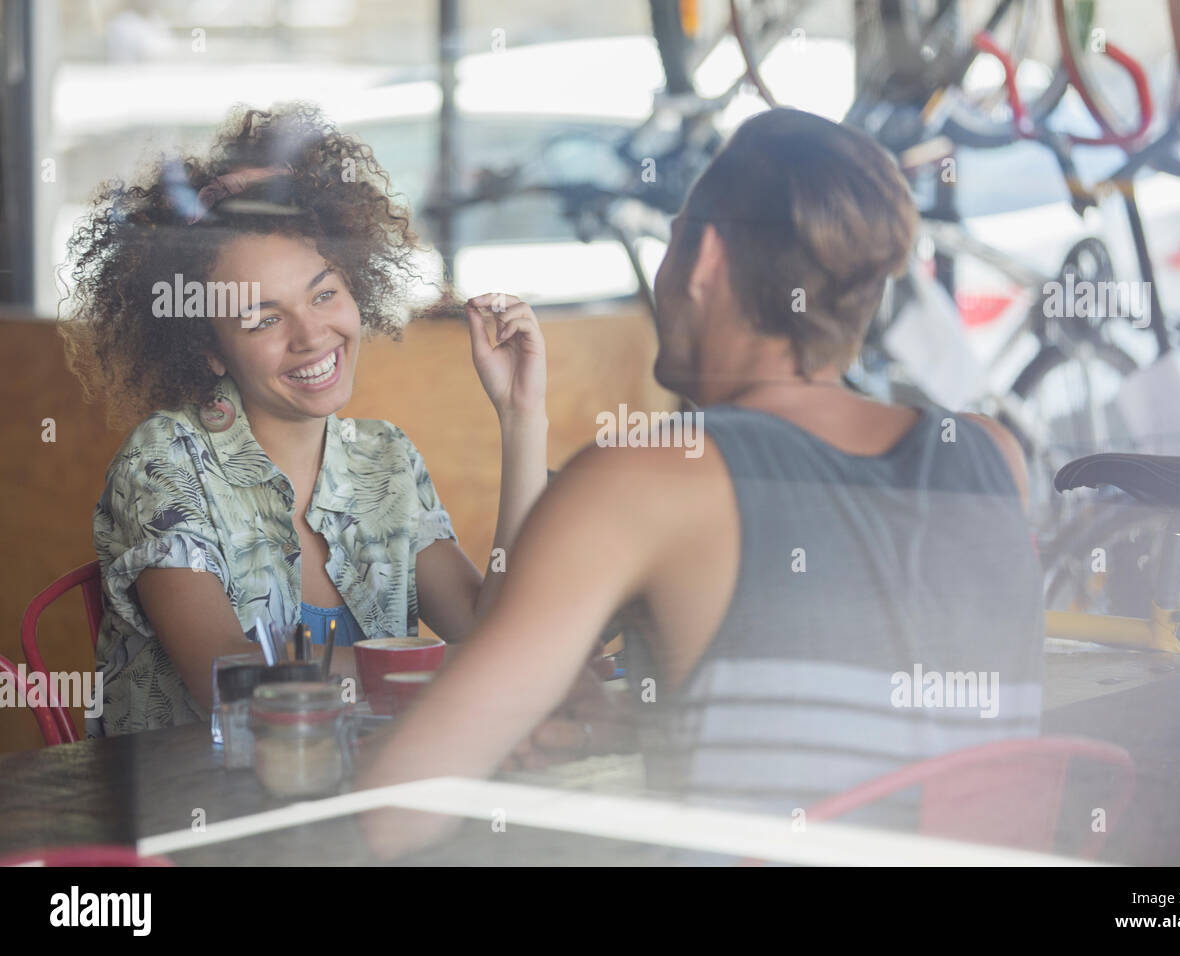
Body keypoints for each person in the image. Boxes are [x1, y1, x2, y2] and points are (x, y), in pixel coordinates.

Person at [359, 108, 1046, 857]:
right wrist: (653, 722)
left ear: (706, 257)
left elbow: (399, 808)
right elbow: (900, 749)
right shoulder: (987, 458)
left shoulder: (650, 476)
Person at [60, 104, 548, 735]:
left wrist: (521, 416)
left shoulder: (385, 460)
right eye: (264, 318)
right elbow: (229, 684)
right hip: (196, 816)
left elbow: (495, 626)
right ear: (208, 349)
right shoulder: (166, 462)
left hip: (363, 805)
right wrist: (448, 672)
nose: (312, 335)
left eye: (324, 294)